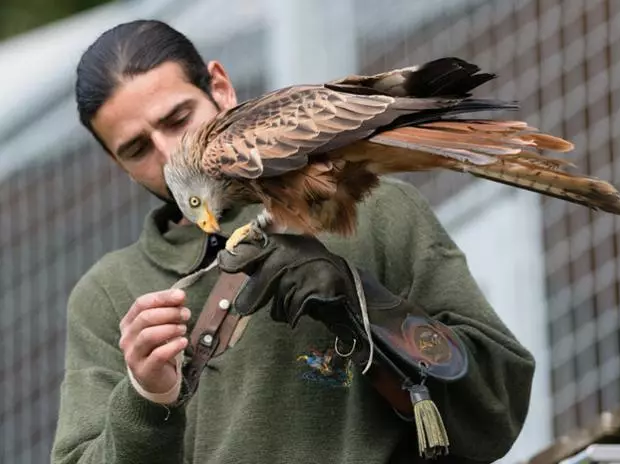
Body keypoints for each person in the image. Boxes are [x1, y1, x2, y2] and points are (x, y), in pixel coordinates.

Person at [51, 19, 535, 464]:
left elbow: (499, 409)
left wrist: (369, 308)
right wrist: (145, 397)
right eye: (136, 148)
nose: (168, 152)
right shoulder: (109, 294)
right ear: (117, 165)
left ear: (219, 88)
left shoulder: (381, 213)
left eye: (178, 119)